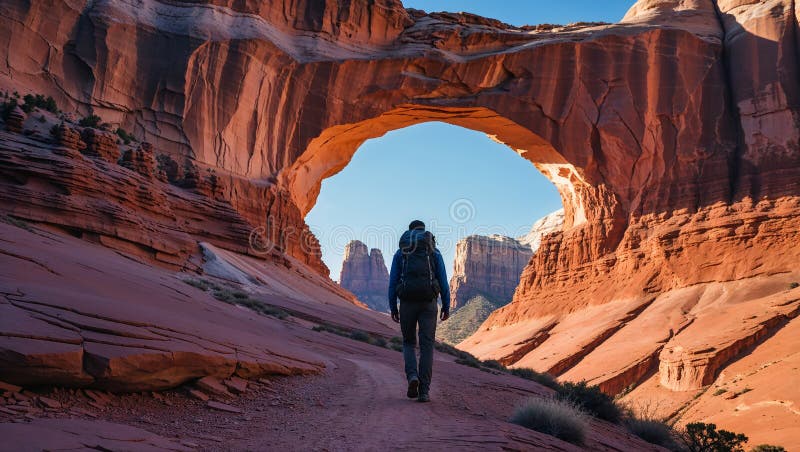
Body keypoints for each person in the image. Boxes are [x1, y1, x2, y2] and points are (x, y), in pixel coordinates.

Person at [387, 220, 450, 403]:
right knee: (426, 346)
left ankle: (412, 376)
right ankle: (424, 392)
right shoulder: (434, 252)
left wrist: (393, 307)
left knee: (408, 343)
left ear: (409, 232)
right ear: (425, 232)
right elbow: (444, 282)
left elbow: (392, 283)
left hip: (407, 303)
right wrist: (446, 305)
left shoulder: (401, 252)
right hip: (429, 303)